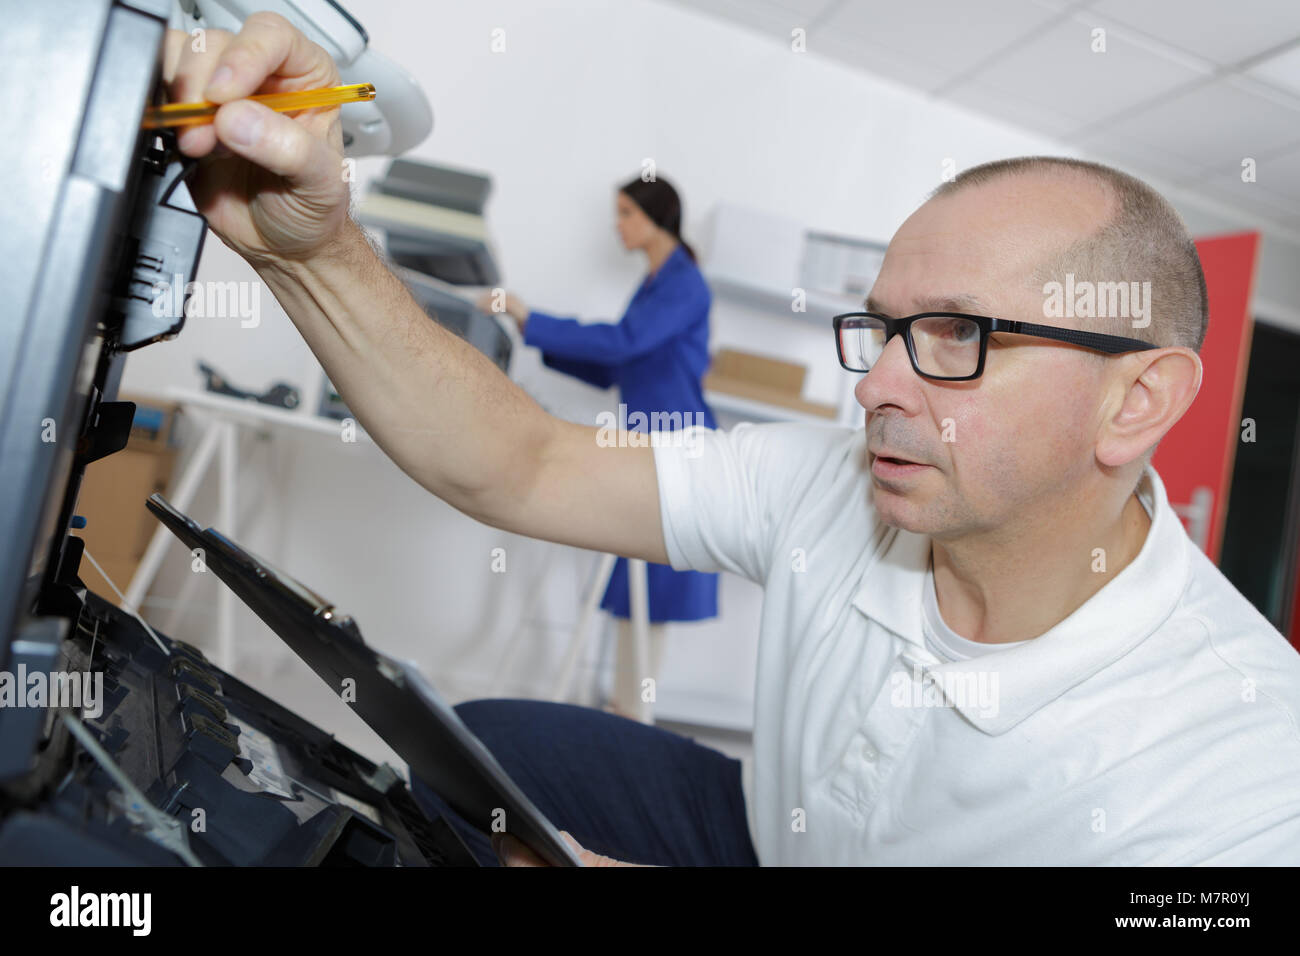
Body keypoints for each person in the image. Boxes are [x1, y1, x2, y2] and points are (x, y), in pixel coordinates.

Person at [164, 15, 1300, 866]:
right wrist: (309, 252)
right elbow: (526, 462)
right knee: (495, 754)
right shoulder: (832, 480)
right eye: (885, 328)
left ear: (1139, 400)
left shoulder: (1239, 763)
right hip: (778, 835)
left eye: (953, 334)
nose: (878, 389)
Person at [473, 176, 720, 722]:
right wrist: (530, 333)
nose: (617, 224)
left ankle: (633, 712)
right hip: (650, 441)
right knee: (637, 579)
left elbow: (624, 343)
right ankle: (625, 705)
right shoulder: (656, 281)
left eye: (627, 212)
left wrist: (531, 317)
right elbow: (616, 364)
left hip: (678, 442)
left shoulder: (684, 282)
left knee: (653, 580)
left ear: (656, 216)